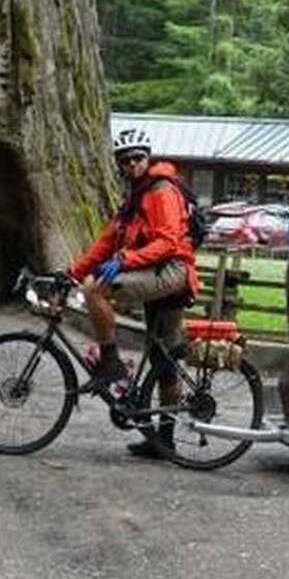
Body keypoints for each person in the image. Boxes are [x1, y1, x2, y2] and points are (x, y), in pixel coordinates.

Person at [66, 129, 200, 457]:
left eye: (138, 158)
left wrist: (125, 260)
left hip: (172, 272)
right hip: (153, 271)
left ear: (147, 158)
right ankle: (162, 441)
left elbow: (168, 241)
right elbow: (106, 242)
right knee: (162, 359)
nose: (132, 165)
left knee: (95, 290)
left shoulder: (161, 191)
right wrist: (71, 272)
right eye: (125, 160)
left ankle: (110, 363)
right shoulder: (133, 198)